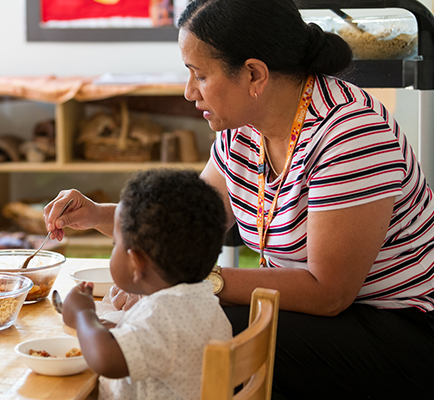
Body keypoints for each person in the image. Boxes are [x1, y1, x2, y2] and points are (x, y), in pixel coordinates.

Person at [45, 0, 434, 398]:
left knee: (187, 335)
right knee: (170, 326)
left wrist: (192, 283)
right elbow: (184, 228)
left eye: (199, 75)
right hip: (319, 314)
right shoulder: (242, 129)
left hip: (394, 327)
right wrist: (96, 214)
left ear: (254, 74)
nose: (188, 91)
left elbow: (328, 292)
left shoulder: (350, 135)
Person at [62, 169, 231, 400]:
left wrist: (83, 314)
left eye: (115, 243)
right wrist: (100, 326)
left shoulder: (160, 315)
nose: (113, 249)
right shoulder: (205, 305)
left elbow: (106, 359)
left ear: (136, 262)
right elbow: (151, 341)